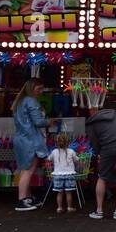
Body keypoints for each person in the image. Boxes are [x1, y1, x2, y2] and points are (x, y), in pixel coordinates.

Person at [11, 78, 49, 211]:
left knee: (24, 170)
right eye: (39, 89)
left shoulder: (19, 102)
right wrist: (50, 121)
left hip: (20, 138)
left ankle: (28, 197)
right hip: (30, 140)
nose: (41, 91)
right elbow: (38, 122)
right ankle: (22, 200)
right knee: (28, 171)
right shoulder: (31, 101)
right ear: (31, 88)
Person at [47, 132, 79, 214]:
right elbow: (76, 160)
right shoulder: (71, 151)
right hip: (69, 174)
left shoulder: (54, 151)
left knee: (59, 193)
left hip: (57, 175)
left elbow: (49, 159)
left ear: (56, 143)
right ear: (68, 142)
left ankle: (59, 208)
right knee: (68, 192)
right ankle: (69, 207)